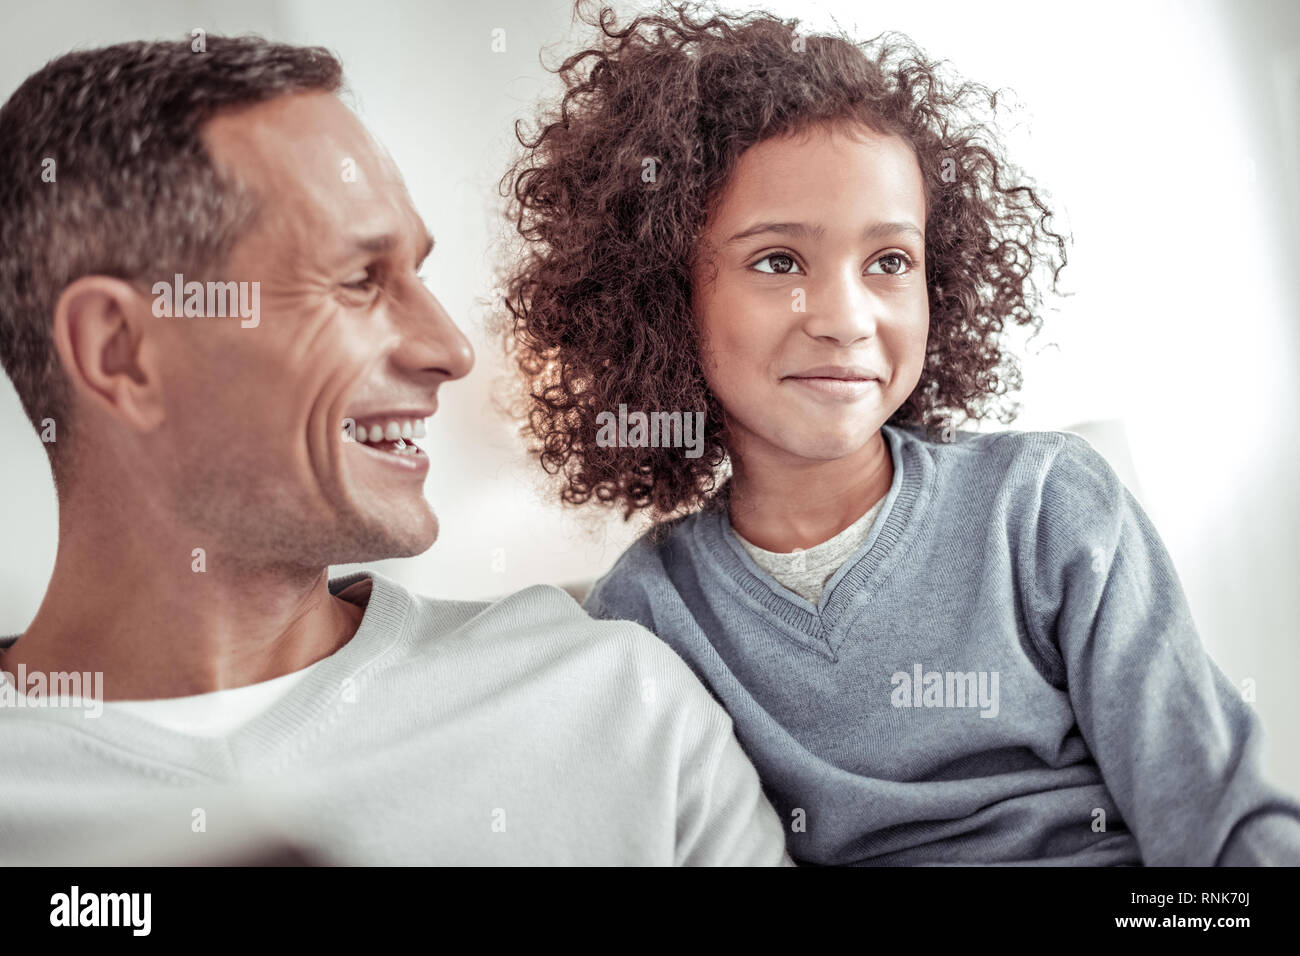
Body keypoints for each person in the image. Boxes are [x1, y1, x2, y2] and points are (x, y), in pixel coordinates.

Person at [496, 1, 1300, 865]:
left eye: (889, 263)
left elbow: (1222, 828)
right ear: (665, 297)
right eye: (779, 261)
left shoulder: (1043, 504)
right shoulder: (650, 611)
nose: (845, 319)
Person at [0, 35, 790, 866]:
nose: (449, 349)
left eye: (416, 273)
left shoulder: (616, 703)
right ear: (121, 351)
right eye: (358, 281)